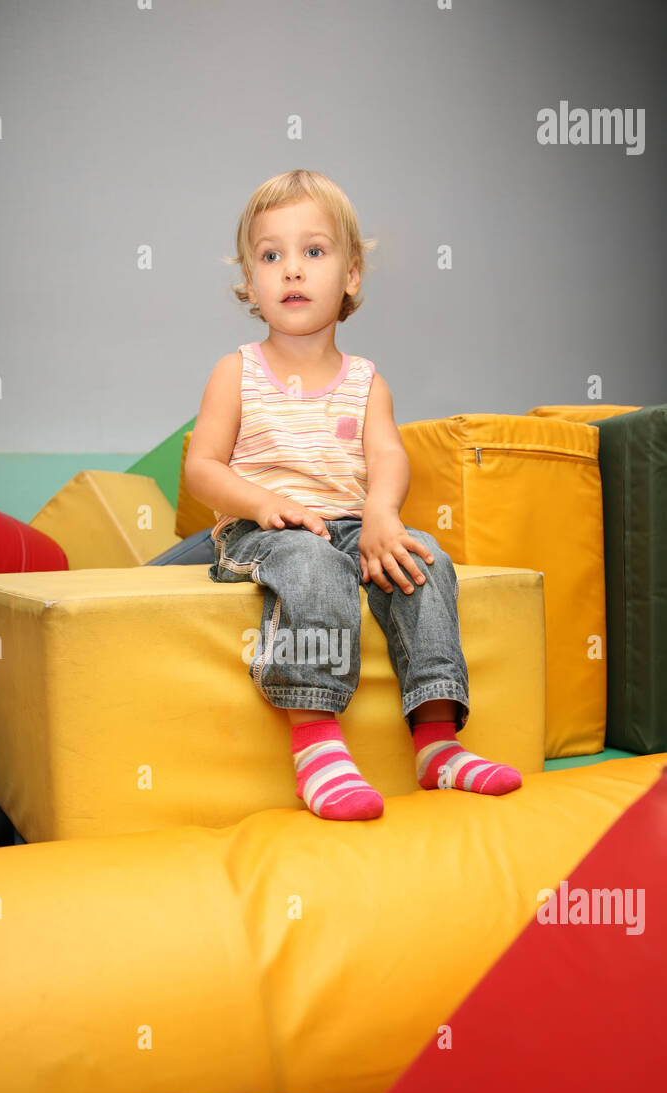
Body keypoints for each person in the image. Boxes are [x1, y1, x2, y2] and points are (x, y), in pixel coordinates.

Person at [185, 169, 522, 821]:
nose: (292, 271)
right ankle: (315, 747)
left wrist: (381, 516)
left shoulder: (366, 381)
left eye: (313, 252)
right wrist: (258, 503)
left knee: (422, 559)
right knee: (311, 566)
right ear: (250, 282)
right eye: (271, 255)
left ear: (352, 275)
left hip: (347, 524)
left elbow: (389, 456)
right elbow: (202, 468)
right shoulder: (238, 372)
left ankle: (436, 740)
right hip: (263, 535)